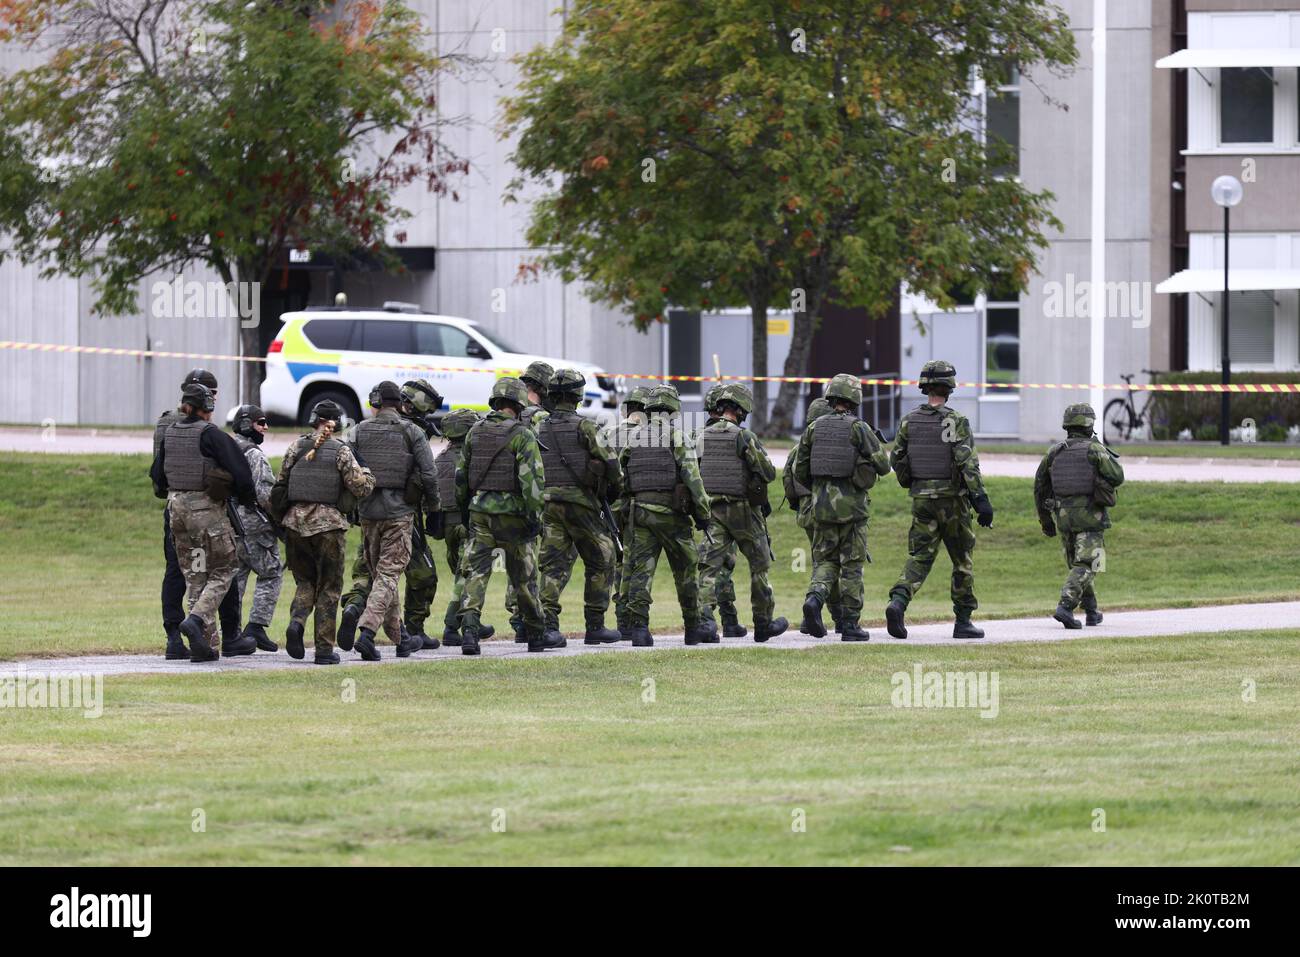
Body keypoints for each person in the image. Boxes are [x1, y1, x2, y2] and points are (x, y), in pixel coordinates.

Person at [885, 360, 994, 641]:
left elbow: (896, 458)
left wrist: (912, 482)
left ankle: (898, 601)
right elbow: (967, 463)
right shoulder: (956, 420)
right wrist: (980, 500)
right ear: (949, 388)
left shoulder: (910, 420)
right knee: (962, 560)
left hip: (922, 499)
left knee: (920, 556)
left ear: (924, 387)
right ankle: (963, 621)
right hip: (952, 502)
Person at [149, 382, 257, 661]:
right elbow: (242, 474)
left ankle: (205, 646)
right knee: (226, 568)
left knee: (195, 574)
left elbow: (157, 476)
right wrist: (245, 499)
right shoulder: (211, 435)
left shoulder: (170, 433)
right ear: (207, 408)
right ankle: (196, 620)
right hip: (205, 513)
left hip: (176, 512)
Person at [455, 377, 563, 654]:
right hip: (514, 516)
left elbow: (461, 477)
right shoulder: (522, 435)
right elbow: (533, 483)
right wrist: (535, 517)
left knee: (476, 572)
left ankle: (469, 632)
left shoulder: (474, 432)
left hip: (480, 514)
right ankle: (537, 634)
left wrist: (467, 510)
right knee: (523, 577)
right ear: (518, 404)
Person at [338, 380, 444, 650]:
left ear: (375, 403)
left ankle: (401, 638)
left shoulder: (357, 431)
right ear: (400, 404)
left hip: (368, 513)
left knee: (381, 573)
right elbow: (430, 475)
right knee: (388, 575)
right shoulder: (411, 431)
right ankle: (367, 631)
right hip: (399, 514)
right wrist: (434, 510)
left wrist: (349, 507)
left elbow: (344, 471)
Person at [271, 400, 375, 664]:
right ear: (336, 423)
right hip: (328, 526)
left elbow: (281, 483)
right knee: (329, 587)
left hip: (295, 524)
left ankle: (297, 622)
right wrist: (368, 474)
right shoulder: (340, 451)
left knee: (306, 582)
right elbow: (360, 487)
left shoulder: (296, 446)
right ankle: (324, 650)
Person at [793, 374, 891, 641]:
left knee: (825, 561)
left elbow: (799, 470)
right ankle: (850, 626)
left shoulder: (814, 428)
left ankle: (814, 598)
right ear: (854, 399)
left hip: (821, 508)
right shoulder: (858, 428)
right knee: (851, 566)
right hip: (852, 510)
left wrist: (820, 488)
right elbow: (884, 465)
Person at [618, 384, 712, 647]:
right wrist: (703, 513)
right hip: (672, 517)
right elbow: (694, 480)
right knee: (686, 571)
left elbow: (622, 479)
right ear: (673, 410)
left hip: (641, 515)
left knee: (641, 572)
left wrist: (628, 506)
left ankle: (639, 630)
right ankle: (693, 629)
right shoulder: (678, 437)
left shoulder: (633, 437)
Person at [536, 368, 624, 645]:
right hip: (581, 504)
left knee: (552, 566)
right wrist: (613, 490)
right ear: (578, 396)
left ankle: (547, 627)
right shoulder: (585, 426)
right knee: (602, 558)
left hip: (549, 504)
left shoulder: (539, 427)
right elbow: (612, 464)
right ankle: (595, 626)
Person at [695, 384, 786, 642]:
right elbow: (767, 472)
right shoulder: (744, 437)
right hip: (744, 511)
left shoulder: (701, 436)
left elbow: (692, 473)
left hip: (713, 510)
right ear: (740, 409)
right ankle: (763, 623)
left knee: (708, 569)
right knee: (759, 567)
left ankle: (705, 623)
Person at [1034, 403, 1125, 628]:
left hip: (1063, 519)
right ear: (1090, 424)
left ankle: (1092, 611)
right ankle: (1065, 606)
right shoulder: (1095, 450)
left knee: (1080, 565)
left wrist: (1046, 521)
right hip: (1091, 517)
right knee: (1090, 564)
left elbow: (1039, 487)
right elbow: (1117, 476)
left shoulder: (1054, 452)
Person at [428, 409, 495, 647]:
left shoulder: (439, 460)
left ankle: (465, 623)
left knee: (462, 574)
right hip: (468, 524)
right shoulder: (473, 459)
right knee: (467, 575)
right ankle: (454, 626)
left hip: (447, 527)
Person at [782, 397, 844, 630]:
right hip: (831, 509)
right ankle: (834, 615)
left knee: (822, 562)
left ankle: (816, 614)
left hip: (807, 512)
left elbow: (788, 479)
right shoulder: (834, 446)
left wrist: (797, 505)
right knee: (831, 563)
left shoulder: (799, 448)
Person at [504, 360, 555, 639]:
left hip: (502, 497)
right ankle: (527, 621)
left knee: (517, 560)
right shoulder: (540, 418)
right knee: (530, 561)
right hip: (532, 496)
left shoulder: (505, 414)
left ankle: (518, 615)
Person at [229, 404, 283, 652]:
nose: (265, 427)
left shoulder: (226, 448)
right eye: (260, 423)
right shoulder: (255, 455)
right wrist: (279, 520)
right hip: (253, 522)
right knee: (271, 573)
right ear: (246, 424)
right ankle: (257, 626)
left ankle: (230, 630)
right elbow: (264, 494)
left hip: (229, 522)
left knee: (236, 577)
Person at [694, 384, 743, 637]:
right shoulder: (732, 435)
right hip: (729, 509)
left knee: (718, 565)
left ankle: (729, 620)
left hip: (707, 509)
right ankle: (710, 619)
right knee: (718, 566)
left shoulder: (699, 437)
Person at [610, 386, 649, 637]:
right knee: (636, 564)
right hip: (637, 506)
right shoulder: (650, 436)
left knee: (618, 563)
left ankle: (621, 619)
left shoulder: (609, 434)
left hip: (612, 508)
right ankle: (634, 620)